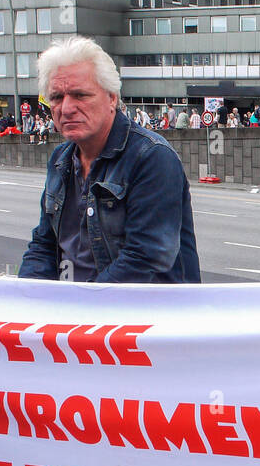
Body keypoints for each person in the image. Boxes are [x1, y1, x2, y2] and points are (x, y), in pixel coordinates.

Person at [18, 36, 199, 285]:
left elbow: (146, 257)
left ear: (112, 98)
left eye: (80, 95)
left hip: (143, 316)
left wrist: (80, 307)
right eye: (57, 97)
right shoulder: (60, 159)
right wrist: (25, 295)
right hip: (76, 312)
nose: (67, 108)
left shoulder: (152, 157)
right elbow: (44, 244)